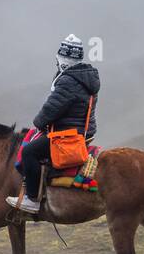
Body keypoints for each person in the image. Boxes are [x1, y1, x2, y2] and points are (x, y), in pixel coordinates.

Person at [7, 34, 100, 214]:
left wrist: (39, 122)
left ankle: (32, 199)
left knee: (29, 151)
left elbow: (51, 110)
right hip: (84, 131)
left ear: (63, 59)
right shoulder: (86, 77)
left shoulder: (68, 81)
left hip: (67, 135)